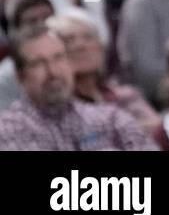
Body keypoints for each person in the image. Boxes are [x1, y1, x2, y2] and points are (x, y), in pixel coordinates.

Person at [0, 25, 155, 150]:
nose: (53, 72)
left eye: (58, 58)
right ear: (20, 76)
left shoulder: (110, 119)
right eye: (39, 63)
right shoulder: (8, 130)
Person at [47, 9, 159, 133]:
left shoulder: (126, 96)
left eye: (88, 37)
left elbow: (158, 130)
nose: (80, 45)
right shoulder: (52, 106)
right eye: (69, 40)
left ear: (101, 48)